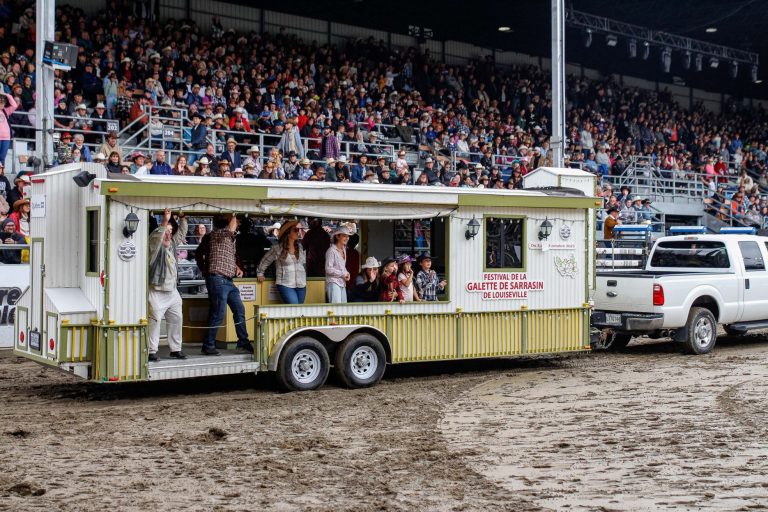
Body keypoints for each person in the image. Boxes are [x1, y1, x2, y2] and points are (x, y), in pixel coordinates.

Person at [197, 213, 252, 356]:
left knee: (239, 310)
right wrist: (233, 213)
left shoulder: (227, 236)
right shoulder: (216, 234)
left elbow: (226, 256)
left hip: (226, 280)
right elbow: (232, 227)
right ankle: (208, 345)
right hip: (218, 279)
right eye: (234, 221)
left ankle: (243, 342)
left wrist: (236, 268)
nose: (237, 223)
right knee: (218, 313)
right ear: (228, 222)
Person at [147, 209, 188, 361]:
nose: (168, 234)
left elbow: (182, 233)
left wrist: (182, 218)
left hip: (172, 291)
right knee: (155, 322)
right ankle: (151, 351)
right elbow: (157, 237)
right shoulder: (154, 247)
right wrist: (165, 221)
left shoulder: (172, 246)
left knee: (177, 319)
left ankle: (176, 349)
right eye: (166, 231)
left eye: (170, 231)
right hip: (156, 290)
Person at [256, 220, 307, 304]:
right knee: (294, 307)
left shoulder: (300, 247)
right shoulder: (277, 248)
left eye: (298, 230)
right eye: (295, 230)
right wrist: (260, 273)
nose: (298, 232)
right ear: (288, 233)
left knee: (298, 311)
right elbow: (265, 260)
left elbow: (303, 264)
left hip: (301, 284)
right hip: (285, 284)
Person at [325, 223, 354, 303]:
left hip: (342, 282)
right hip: (333, 282)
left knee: (343, 309)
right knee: (335, 309)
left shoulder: (344, 249)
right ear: (337, 236)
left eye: (348, 236)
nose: (347, 238)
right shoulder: (331, 251)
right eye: (344, 236)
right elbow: (328, 269)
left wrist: (347, 273)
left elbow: (342, 267)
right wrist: (343, 274)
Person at [0, 91, 17, 167]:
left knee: (2, 158)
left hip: (6, 138)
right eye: (0, 102)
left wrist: (7, 95)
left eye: (3, 102)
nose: (2, 104)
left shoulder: (5, 111)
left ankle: (1, 175)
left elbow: (14, 105)